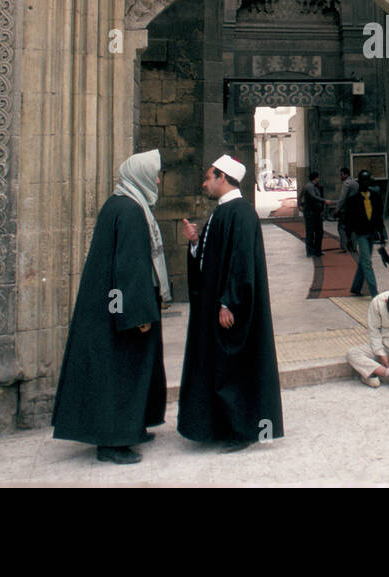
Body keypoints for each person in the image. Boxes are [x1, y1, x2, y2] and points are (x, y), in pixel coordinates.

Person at [51, 150, 169, 464]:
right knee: (120, 373)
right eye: (154, 174)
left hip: (109, 311)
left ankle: (130, 429)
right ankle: (113, 442)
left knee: (122, 372)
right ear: (141, 176)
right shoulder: (131, 210)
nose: (157, 180)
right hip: (122, 315)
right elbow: (129, 267)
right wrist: (138, 314)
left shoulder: (119, 204)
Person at [178, 154, 284, 452]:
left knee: (234, 369)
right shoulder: (222, 212)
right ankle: (222, 427)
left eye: (208, 177)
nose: (204, 183)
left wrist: (229, 302)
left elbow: (241, 264)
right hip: (217, 307)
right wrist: (195, 242)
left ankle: (243, 431)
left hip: (230, 310)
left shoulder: (241, 213)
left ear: (222, 177)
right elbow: (213, 260)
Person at [345, 169, 386, 298]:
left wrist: (381, 233)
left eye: (366, 180)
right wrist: (349, 238)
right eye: (362, 180)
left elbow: (379, 216)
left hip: (372, 232)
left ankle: (356, 287)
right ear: (359, 182)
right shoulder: (353, 199)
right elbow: (349, 220)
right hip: (361, 233)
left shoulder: (375, 196)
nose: (364, 182)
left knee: (364, 260)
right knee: (367, 262)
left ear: (369, 181)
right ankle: (374, 293)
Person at [298, 170, 325, 258]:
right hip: (311, 213)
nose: (319, 179)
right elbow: (314, 197)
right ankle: (311, 251)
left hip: (315, 213)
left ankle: (317, 250)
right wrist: (324, 201)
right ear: (316, 178)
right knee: (311, 233)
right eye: (318, 177)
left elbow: (300, 195)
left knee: (318, 232)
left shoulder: (313, 186)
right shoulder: (309, 186)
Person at [333, 166, 359, 253]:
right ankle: (354, 247)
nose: (340, 177)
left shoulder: (346, 183)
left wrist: (337, 208)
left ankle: (344, 247)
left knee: (341, 228)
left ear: (346, 174)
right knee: (353, 228)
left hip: (347, 210)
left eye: (341, 175)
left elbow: (343, 197)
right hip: (355, 210)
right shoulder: (355, 183)